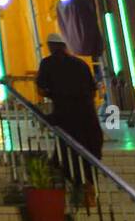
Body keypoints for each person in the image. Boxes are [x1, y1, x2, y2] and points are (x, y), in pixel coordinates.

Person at [36, 33, 103, 189]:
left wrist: (54, 95)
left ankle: (74, 188)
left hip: (65, 116)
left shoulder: (48, 63)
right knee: (88, 154)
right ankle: (89, 188)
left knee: (67, 152)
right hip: (87, 117)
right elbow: (93, 91)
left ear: (51, 47)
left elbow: (41, 88)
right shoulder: (81, 64)